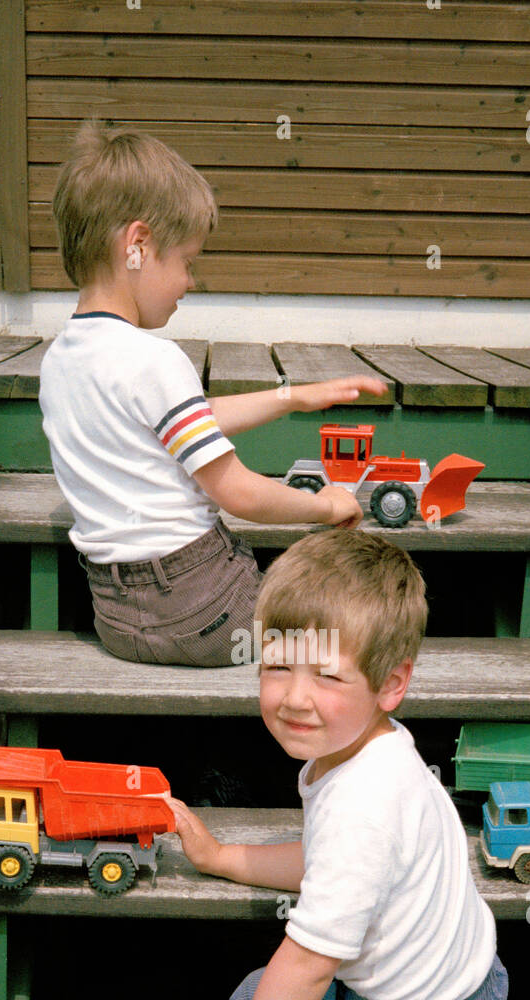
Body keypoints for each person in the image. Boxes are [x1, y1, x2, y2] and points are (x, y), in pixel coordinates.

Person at [165, 528, 509, 1000]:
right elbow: (330, 863)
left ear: (391, 683)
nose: (294, 698)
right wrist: (227, 858)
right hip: (480, 988)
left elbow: (310, 963)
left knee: (255, 994)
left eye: (326, 677)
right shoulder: (378, 749)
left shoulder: (360, 804)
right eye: (277, 668)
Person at [39, 119, 387, 666]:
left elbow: (179, 424)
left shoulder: (61, 361)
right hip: (207, 615)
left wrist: (291, 398)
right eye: (187, 261)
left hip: (116, 620)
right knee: (345, 593)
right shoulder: (153, 359)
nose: (190, 282)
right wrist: (323, 505)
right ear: (138, 244)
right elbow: (240, 495)